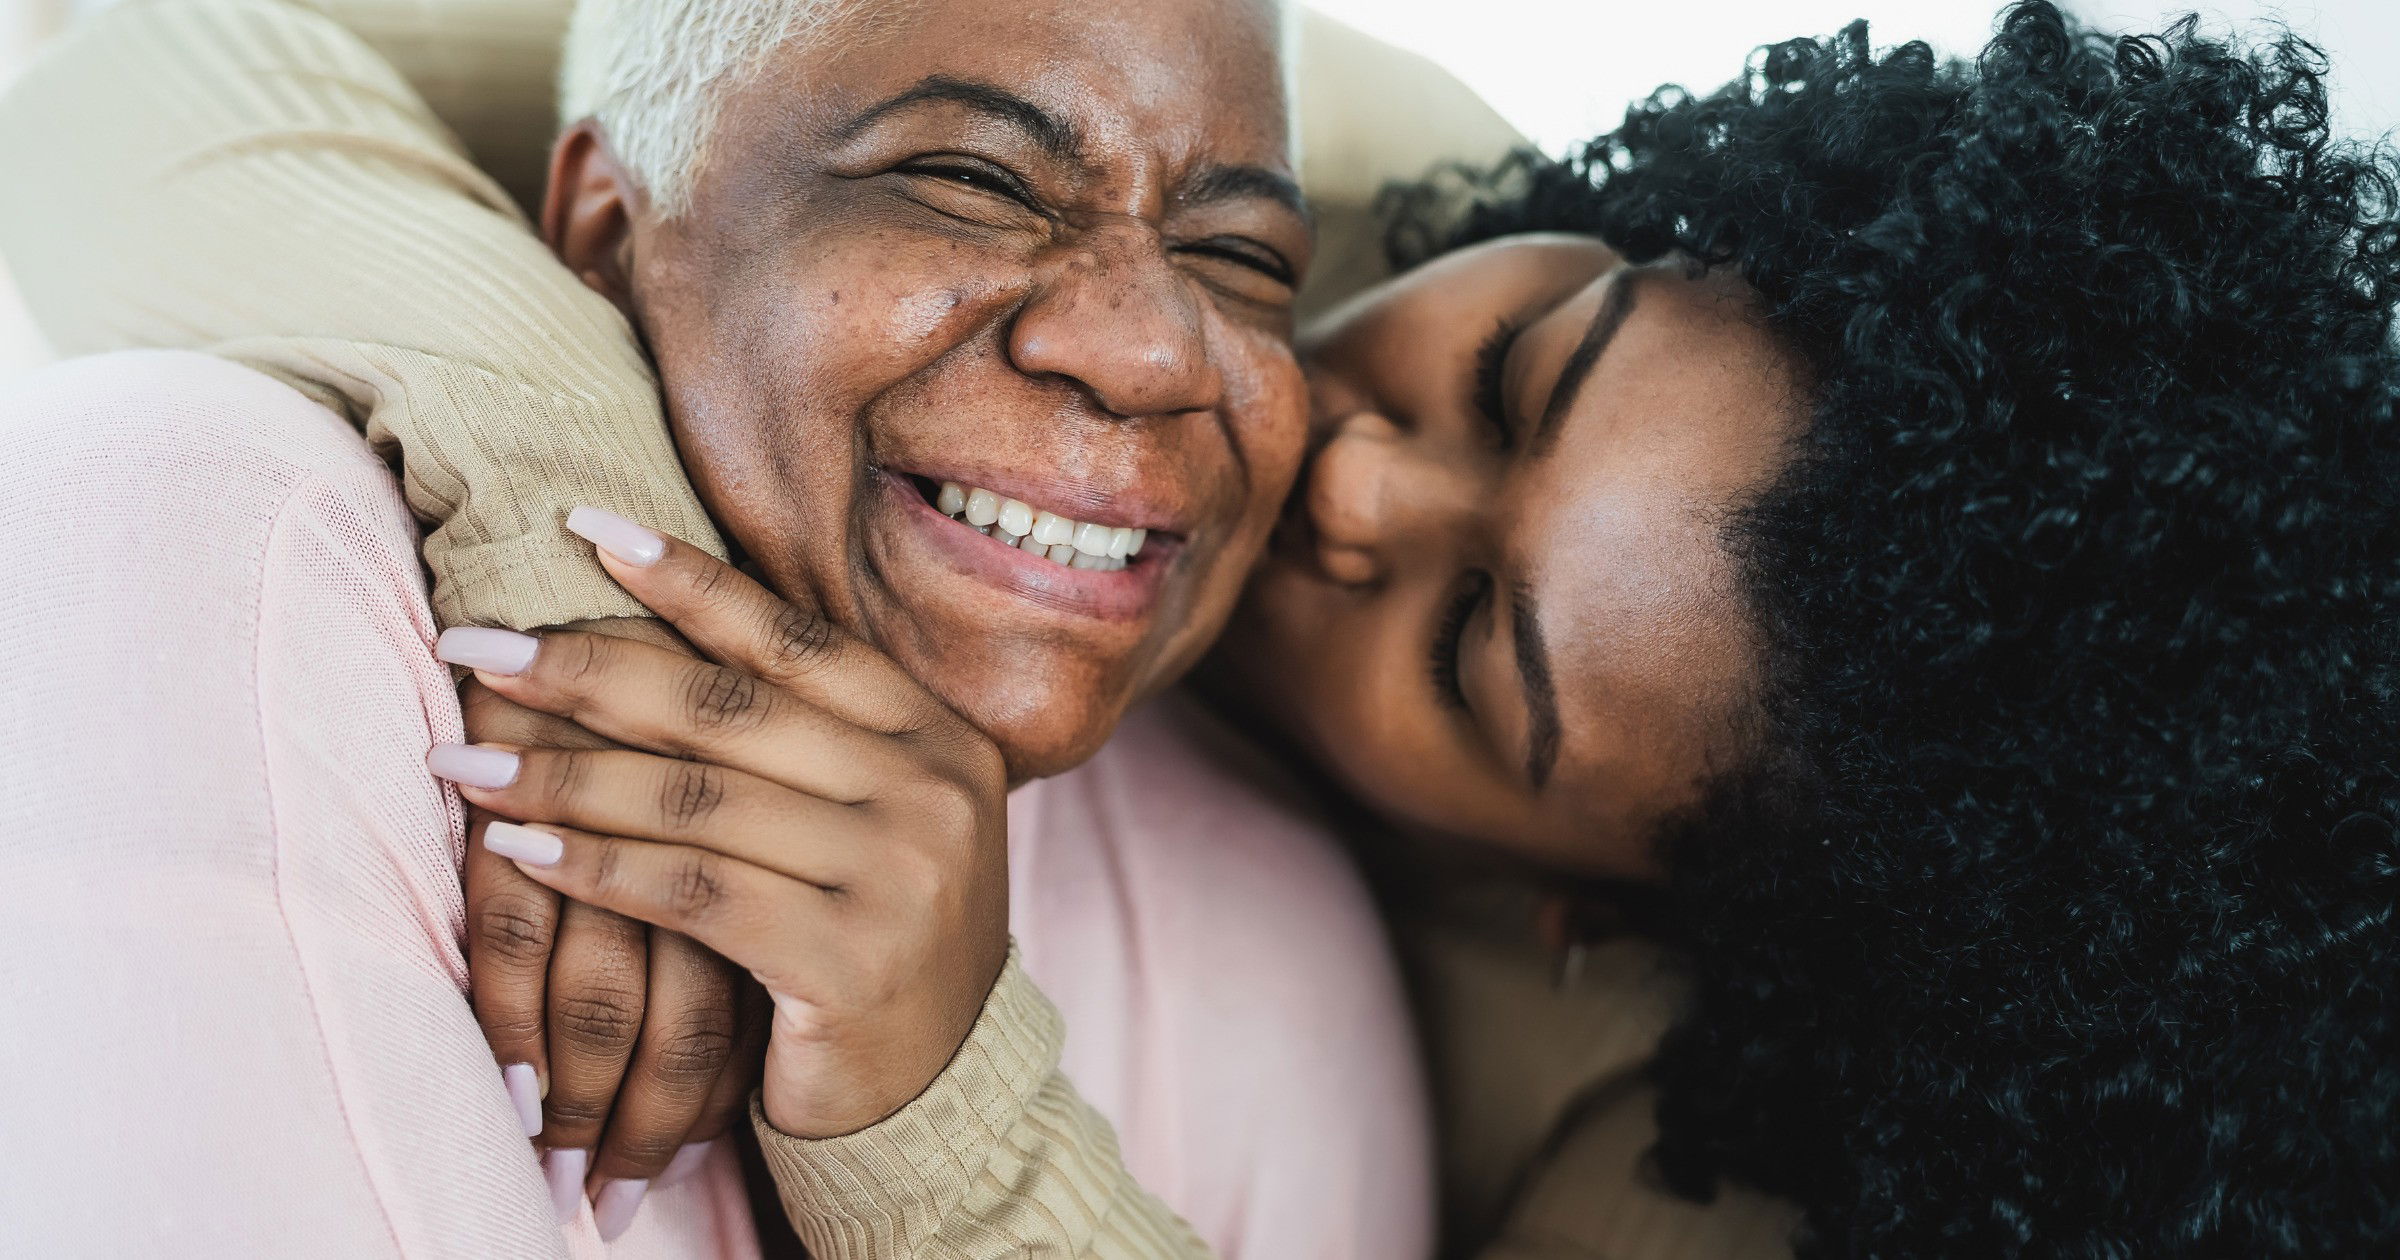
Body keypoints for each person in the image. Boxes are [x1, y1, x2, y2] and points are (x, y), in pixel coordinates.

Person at [10, 1, 2398, 1257]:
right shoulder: (1270, 159)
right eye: (1514, 368)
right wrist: (583, 545)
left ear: (1578, 907)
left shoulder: (1652, 1156)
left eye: (1472, 648)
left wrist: (940, 1103)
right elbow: (142, 57)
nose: (1351, 468)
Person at [0, 0, 1510, 1255]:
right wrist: (586, 533)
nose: (1148, 351)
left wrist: (943, 1137)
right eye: (972, 178)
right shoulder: (223, 558)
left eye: (1244, 260)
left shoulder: (1274, 938)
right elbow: (115, 57)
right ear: (605, 229)